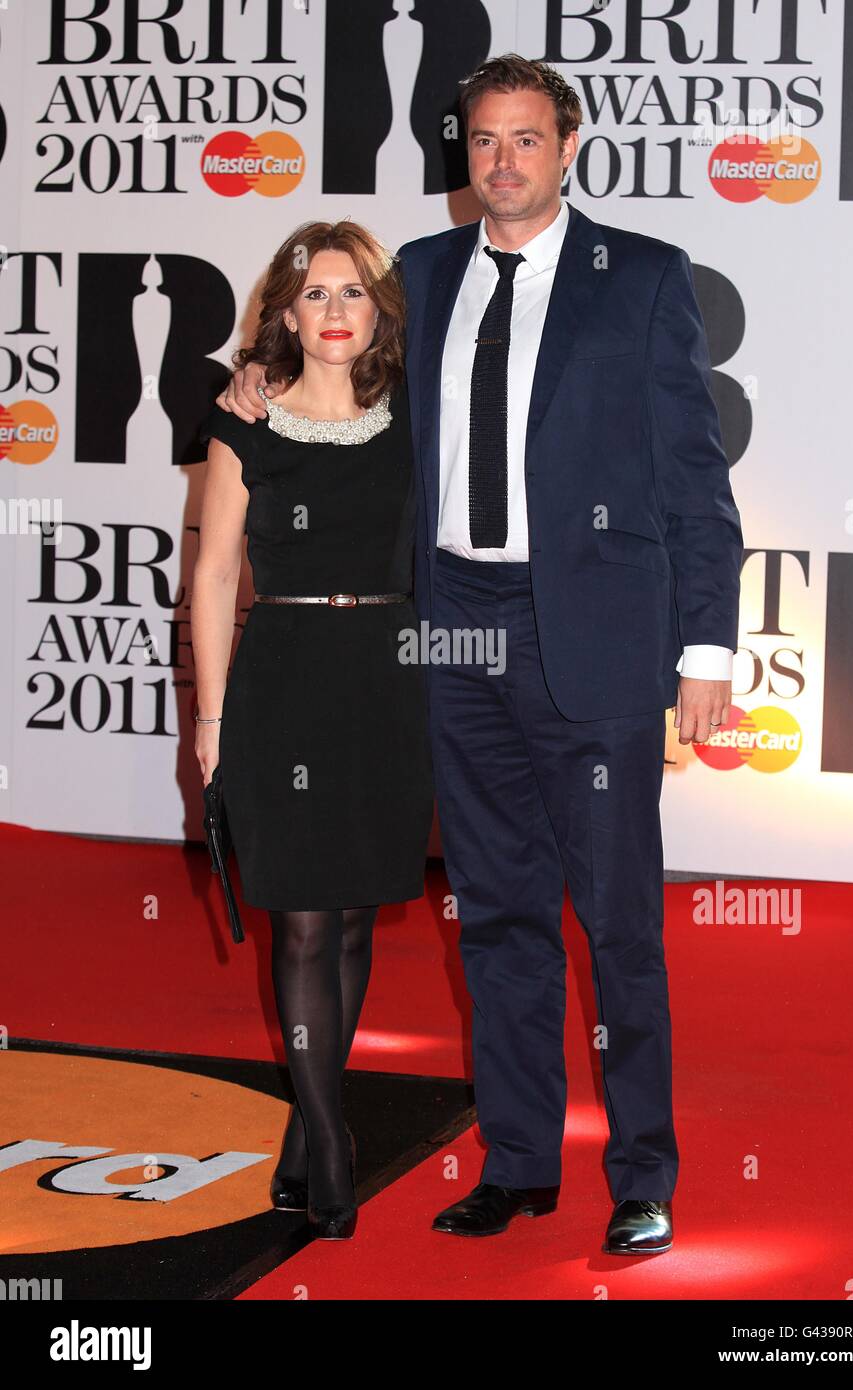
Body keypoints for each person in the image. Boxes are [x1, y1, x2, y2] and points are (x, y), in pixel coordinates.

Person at [217, 55, 743, 1256]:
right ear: (464, 151)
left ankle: (642, 1173)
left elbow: (696, 486)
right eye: (482, 141)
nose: (500, 162)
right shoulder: (422, 276)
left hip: (600, 642)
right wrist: (254, 376)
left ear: (568, 147)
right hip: (449, 636)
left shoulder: (644, 281)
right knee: (497, 915)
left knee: (616, 925)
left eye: (524, 139)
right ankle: (517, 1160)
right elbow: (336, 392)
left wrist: (706, 647)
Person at [191, 219, 433, 1241]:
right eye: (315, 294)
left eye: (352, 292)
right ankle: (332, 1141)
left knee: (351, 918)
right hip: (282, 683)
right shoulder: (244, 421)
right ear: (285, 312)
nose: (335, 312)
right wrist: (207, 717)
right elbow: (210, 576)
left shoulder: (413, 414)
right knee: (299, 920)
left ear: (377, 308)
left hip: (388, 684)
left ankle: (308, 1125)